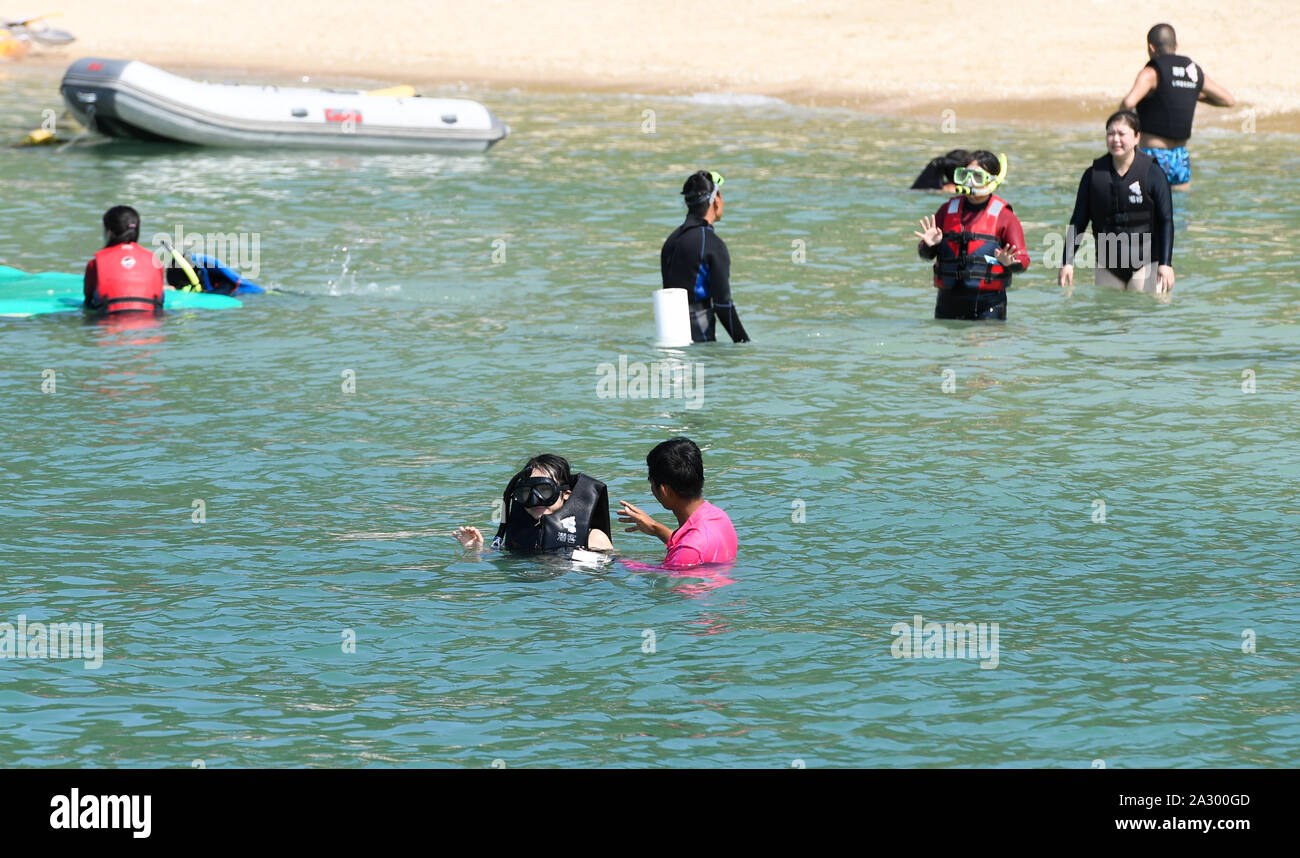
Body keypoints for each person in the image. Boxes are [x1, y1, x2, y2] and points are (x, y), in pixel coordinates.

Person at [1059, 110, 1175, 295]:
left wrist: (1166, 264)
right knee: (1108, 320)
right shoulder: (1093, 175)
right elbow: (1078, 221)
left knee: (1146, 318)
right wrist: (1067, 262)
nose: (1115, 139)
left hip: (1146, 264)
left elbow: (1166, 220)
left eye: (1122, 134)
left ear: (1137, 137)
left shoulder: (1153, 174)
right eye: (1111, 134)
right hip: (1108, 266)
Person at [913, 151, 1029, 321]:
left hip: (988, 306)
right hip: (947, 305)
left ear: (992, 180)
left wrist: (1010, 263)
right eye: (965, 175)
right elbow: (924, 254)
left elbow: (1023, 261)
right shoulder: (947, 210)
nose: (969, 181)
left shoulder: (1005, 217)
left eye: (977, 177)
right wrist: (931, 245)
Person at [1120, 22, 1235, 190]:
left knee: (1148, 210)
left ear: (1152, 48)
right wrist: (1192, 93)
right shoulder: (1193, 72)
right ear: (1176, 45)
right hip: (1180, 157)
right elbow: (1228, 100)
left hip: (1153, 155)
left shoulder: (1151, 73)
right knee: (1179, 210)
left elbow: (1128, 102)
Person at [454, 454, 613, 555]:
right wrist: (475, 551)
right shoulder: (520, 534)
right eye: (526, 493)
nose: (535, 499)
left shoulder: (592, 537)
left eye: (544, 491)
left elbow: (619, 566)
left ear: (566, 494)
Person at [617, 437, 737, 568]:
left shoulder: (688, 550)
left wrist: (611, 558)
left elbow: (669, 579)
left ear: (664, 490)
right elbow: (690, 547)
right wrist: (655, 528)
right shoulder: (719, 517)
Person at [660, 170, 750, 343]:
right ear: (716, 200)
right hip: (700, 343)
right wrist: (745, 344)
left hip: (669, 335)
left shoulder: (671, 241)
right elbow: (723, 305)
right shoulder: (712, 244)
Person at [83, 206, 164, 315]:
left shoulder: (95, 263)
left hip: (109, 323)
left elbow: (88, 301)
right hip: (151, 323)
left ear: (109, 233)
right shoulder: (155, 260)